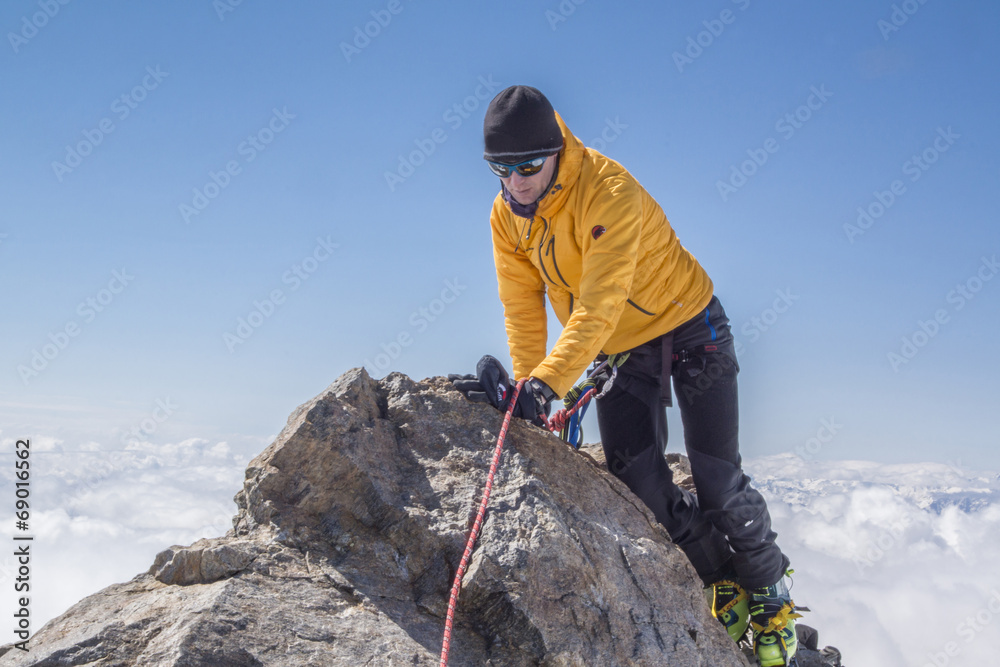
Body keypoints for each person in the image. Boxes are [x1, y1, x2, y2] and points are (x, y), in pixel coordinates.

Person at [452, 85, 800, 666]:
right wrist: (526, 384)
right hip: (621, 350)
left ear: (557, 150)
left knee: (717, 475)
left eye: (527, 166)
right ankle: (717, 573)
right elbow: (522, 306)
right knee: (634, 476)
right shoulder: (506, 218)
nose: (515, 182)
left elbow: (599, 304)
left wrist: (547, 386)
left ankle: (770, 592)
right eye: (500, 170)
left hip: (690, 325)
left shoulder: (609, 191)